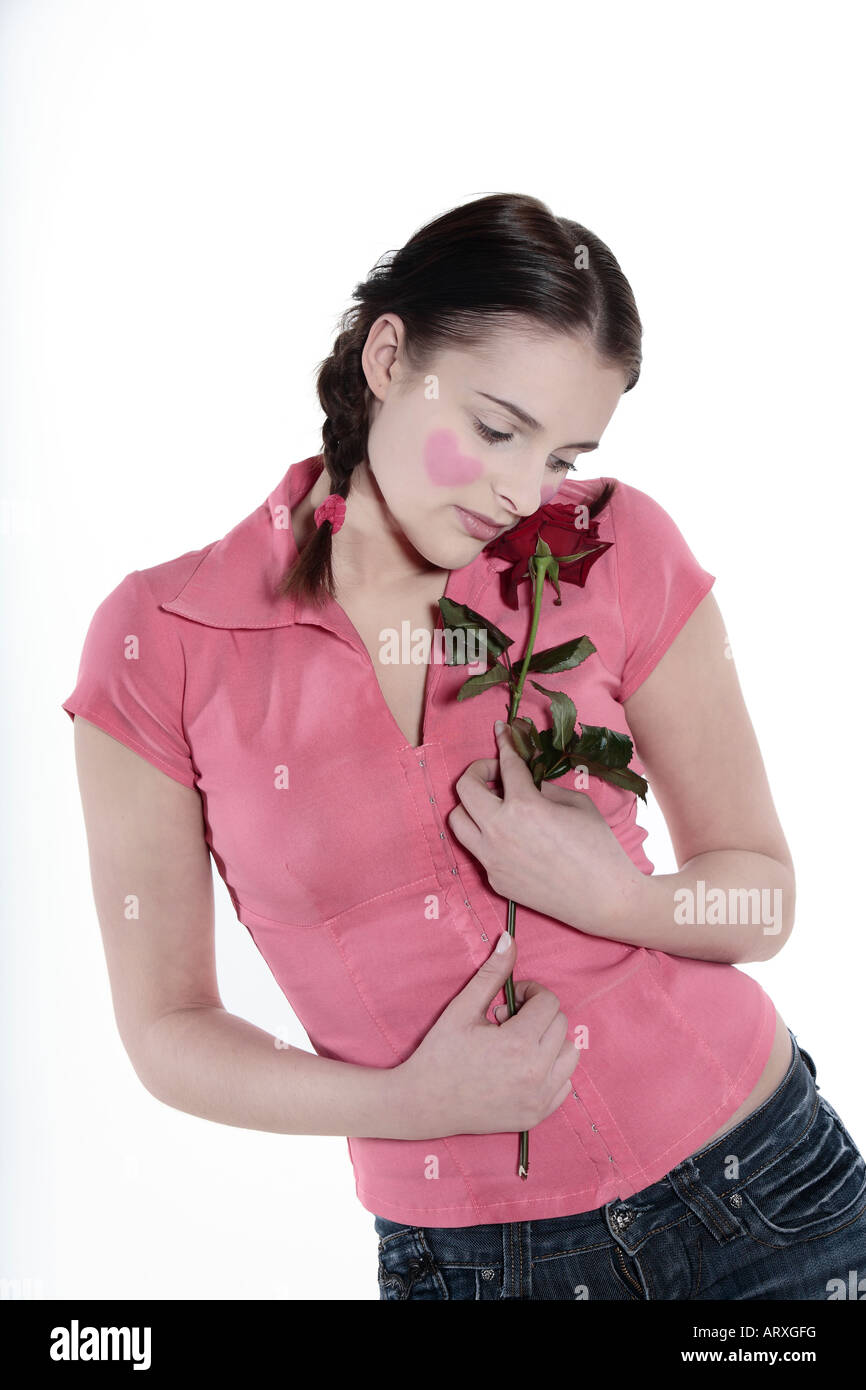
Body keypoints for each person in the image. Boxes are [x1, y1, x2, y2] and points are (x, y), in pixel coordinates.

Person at [61, 192, 866, 1300]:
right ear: (388, 356)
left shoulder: (610, 545)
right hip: (472, 1266)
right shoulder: (164, 641)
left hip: (764, 1197)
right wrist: (411, 1104)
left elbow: (760, 897)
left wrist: (619, 899)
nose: (521, 490)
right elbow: (166, 1029)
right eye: (496, 428)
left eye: (563, 449)